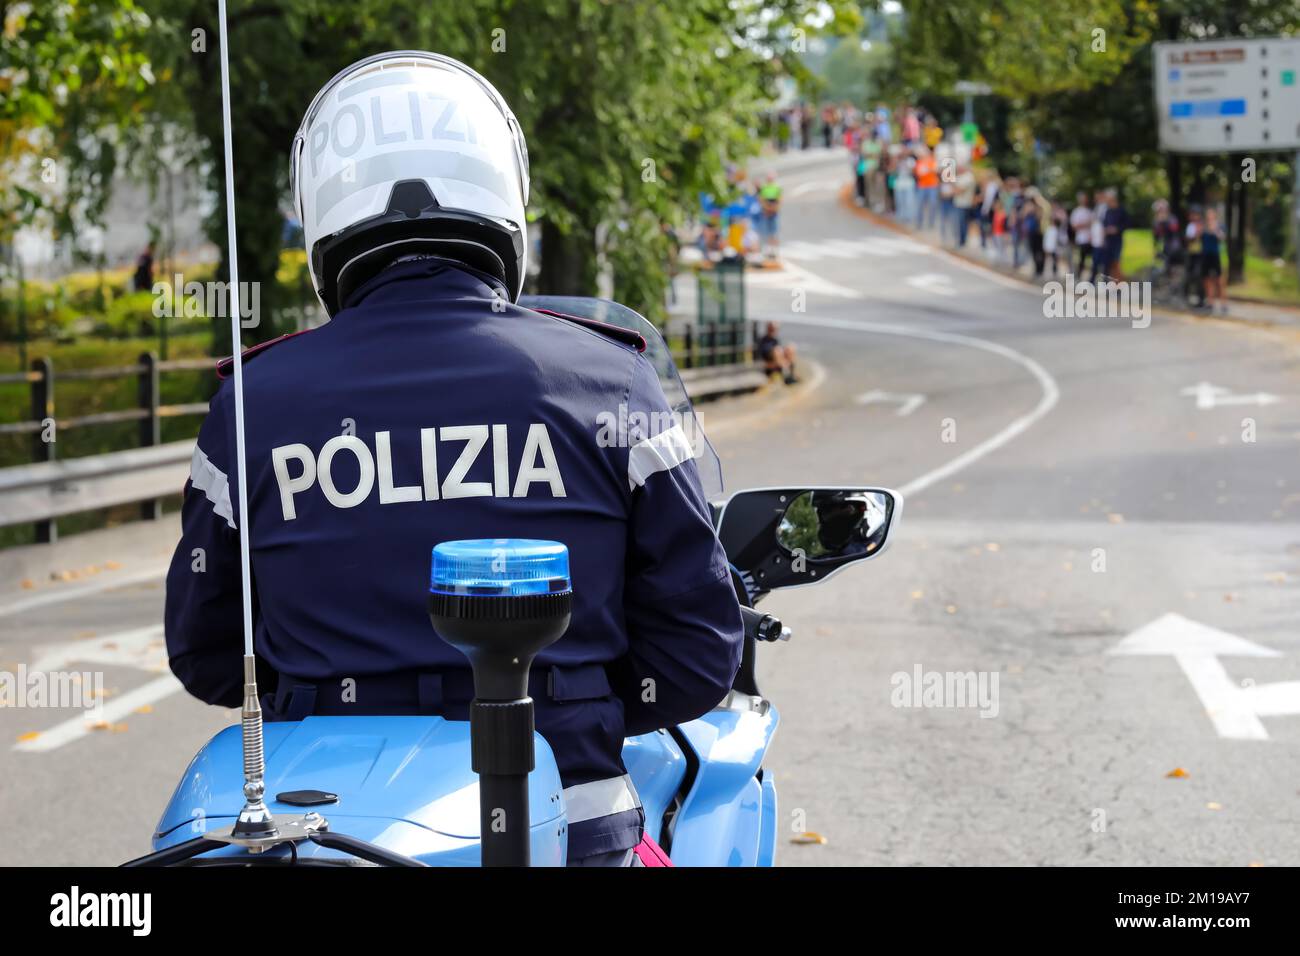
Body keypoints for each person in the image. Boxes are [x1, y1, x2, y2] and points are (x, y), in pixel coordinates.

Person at [163, 51, 743, 868]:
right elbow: (695, 654)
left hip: (323, 836)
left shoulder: (253, 403)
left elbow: (206, 653)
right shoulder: (612, 379)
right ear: (505, 196)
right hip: (569, 826)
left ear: (323, 213)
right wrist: (580, 701)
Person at [1200, 207, 1227, 314]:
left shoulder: (1219, 226)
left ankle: (1224, 303)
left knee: (1219, 280)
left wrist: (1214, 229)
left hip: (1216, 255)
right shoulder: (1204, 226)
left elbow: (1222, 238)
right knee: (1206, 279)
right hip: (1205, 255)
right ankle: (1210, 302)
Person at [758, 171, 782, 259]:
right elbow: (761, 199)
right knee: (767, 231)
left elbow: (779, 199)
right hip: (766, 211)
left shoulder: (776, 188)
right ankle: (768, 248)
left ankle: (774, 249)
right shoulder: (764, 188)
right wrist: (767, 208)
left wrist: (773, 209)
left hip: (774, 212)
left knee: (774, 231)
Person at [1069, 192, 1093, 276]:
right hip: (1081, 239)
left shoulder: (1090, 211)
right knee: (1080, 258)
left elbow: (1092, 224)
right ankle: (1078, 274)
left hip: (1090, 239)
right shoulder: (1076, 211)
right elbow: (1074, 226)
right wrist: (1086, 224)